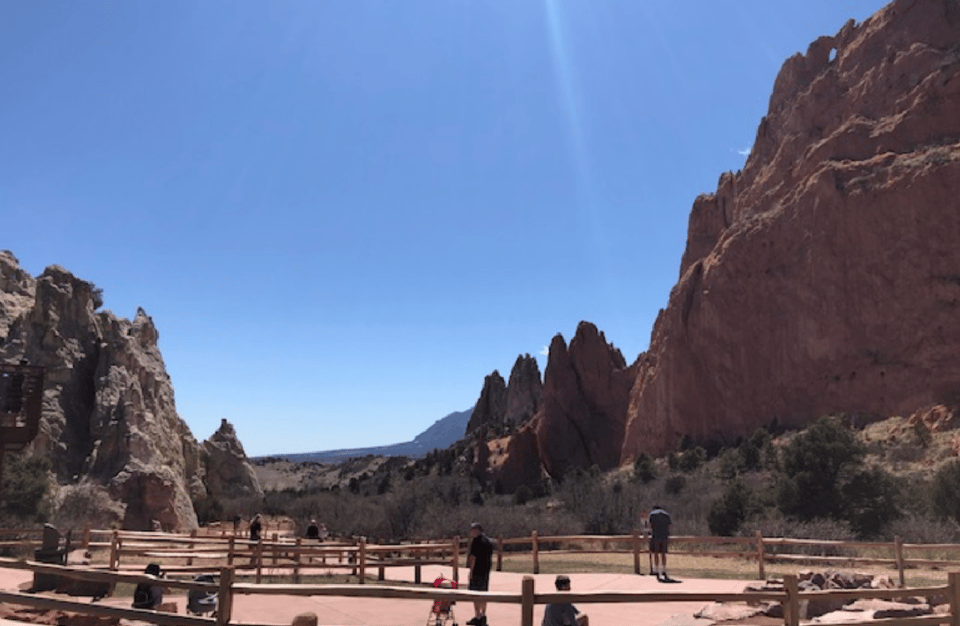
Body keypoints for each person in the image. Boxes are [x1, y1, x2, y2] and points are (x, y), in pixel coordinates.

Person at [466, 522, 493, 626]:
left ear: (477, 530)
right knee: (484, 592)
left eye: (472, 530)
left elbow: (473, 558)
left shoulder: (476, 541)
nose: (471, 532)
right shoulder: (488, 541)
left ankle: (478, 616)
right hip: (486, 571)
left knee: (475, 593)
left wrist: (471, 571)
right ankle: (483, 614)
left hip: (477, 571)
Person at [648, 504, 672, 581]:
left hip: (656, 536)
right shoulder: (666, 514)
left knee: (656, 553)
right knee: (663, 553)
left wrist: (650, 532)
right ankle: (664, 569)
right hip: (664, 536)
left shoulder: (652, 514)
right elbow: (670, 526)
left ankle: (656, 569)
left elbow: (650, 525)